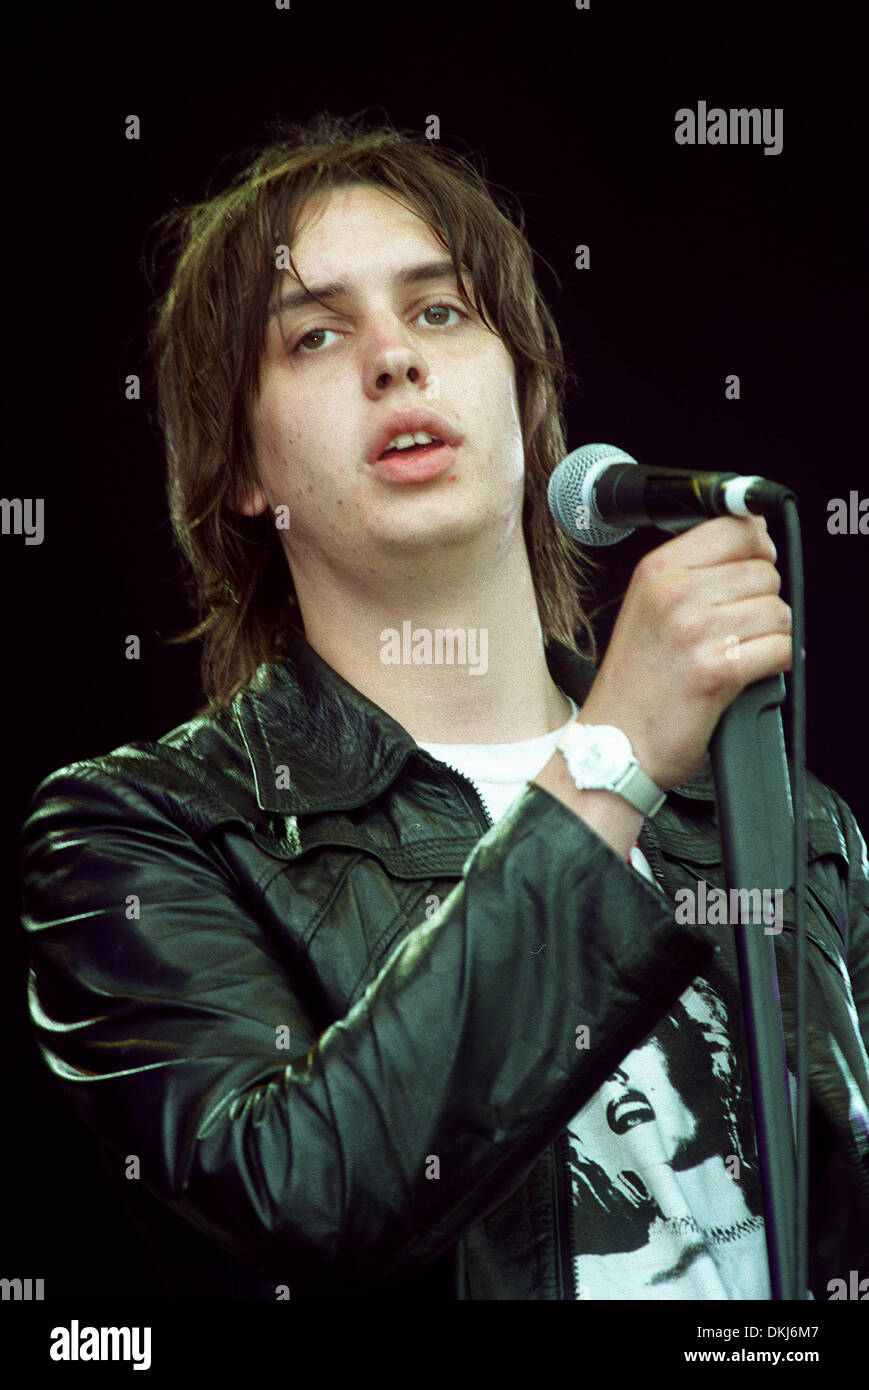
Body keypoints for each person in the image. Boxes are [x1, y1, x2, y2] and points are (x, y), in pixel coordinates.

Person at [19, 112, 869, 1301]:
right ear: (246, 470)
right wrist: (608, 757)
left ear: (526, 401)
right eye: (314, 335)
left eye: (437, 310)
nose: (392, 358)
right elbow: (300, 1198)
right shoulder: (138, 835)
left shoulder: (785, 818)